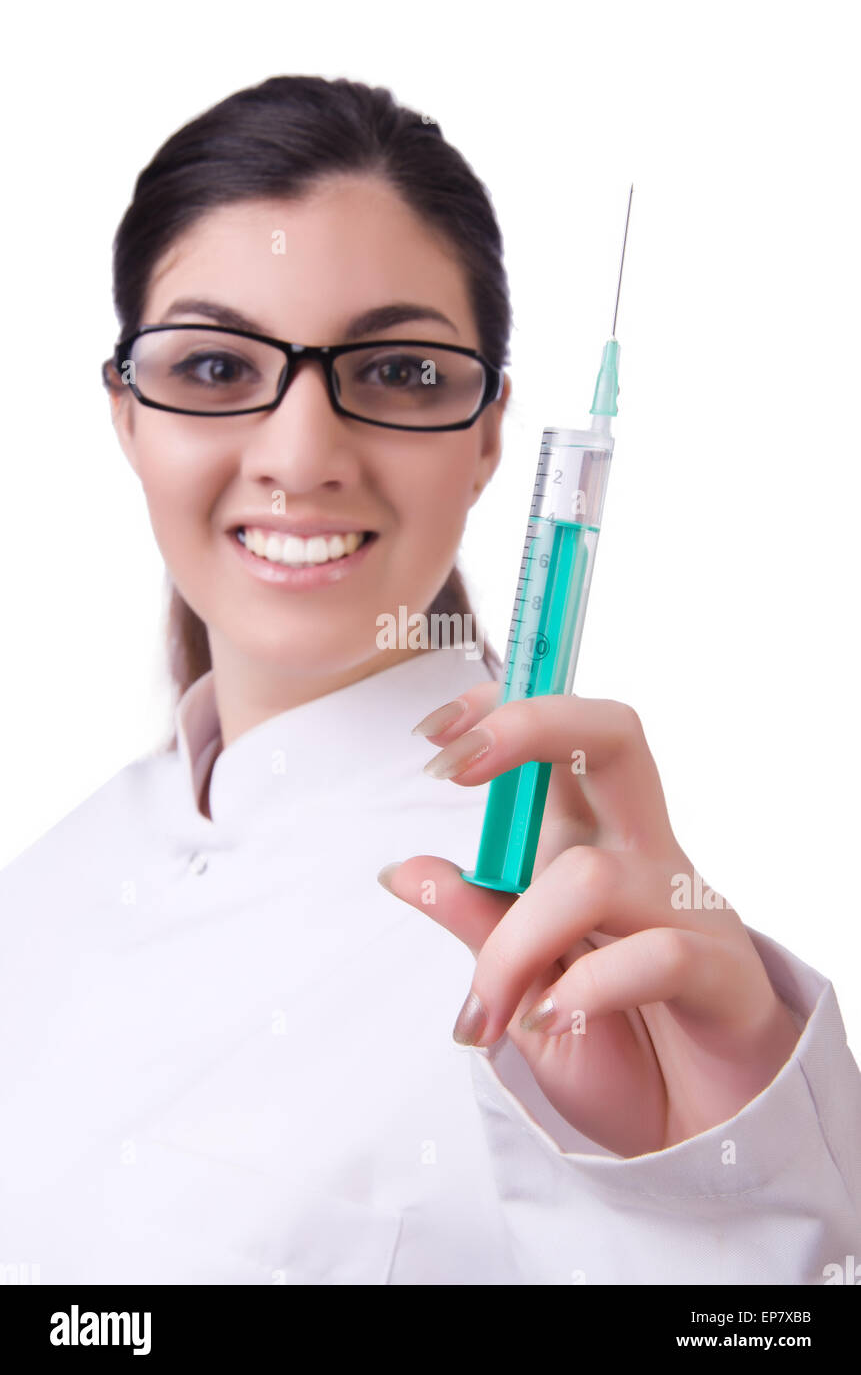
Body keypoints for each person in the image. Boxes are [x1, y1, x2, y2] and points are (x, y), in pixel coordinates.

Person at [0, 74, 858, 1287]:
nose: (301, 457)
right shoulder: (45, 884)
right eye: (210, 367)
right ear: (126, 415)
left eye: (400, 372)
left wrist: (711, 1188)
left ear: (494, 431)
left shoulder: (571, 925)